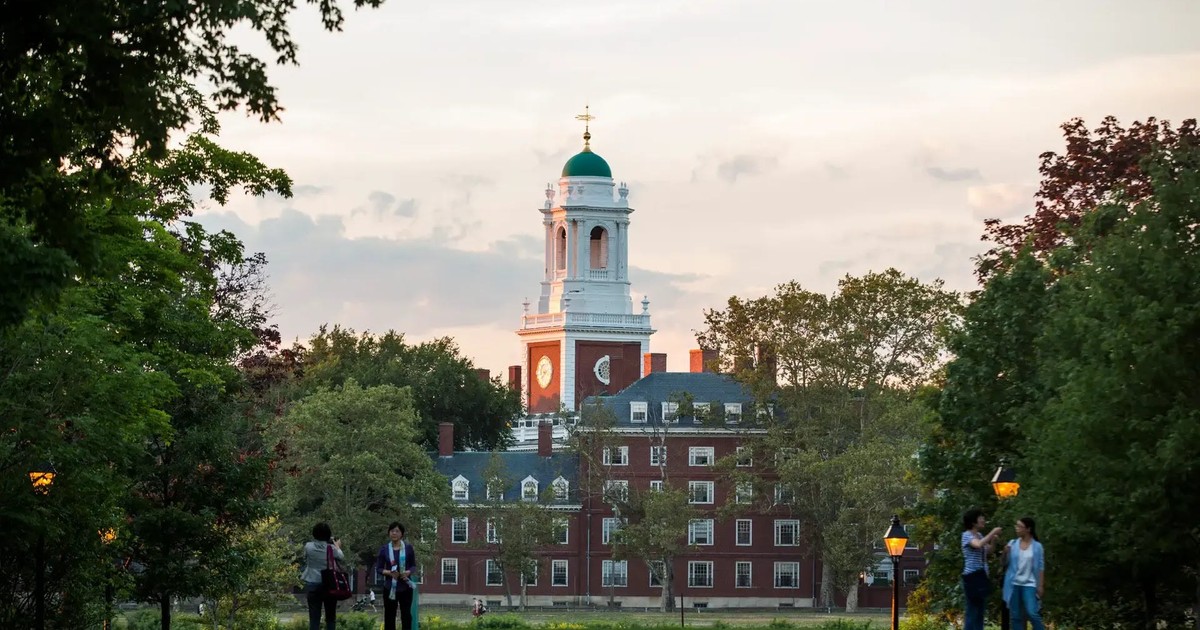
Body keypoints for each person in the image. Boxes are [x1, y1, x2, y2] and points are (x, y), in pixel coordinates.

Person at [961, 509, 1003, 630]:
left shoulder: (979, 535)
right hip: (972, 577)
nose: (983, 520)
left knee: (980, 612)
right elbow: (978, 545)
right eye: (981, 518)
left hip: (981, 576)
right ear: (973, 522)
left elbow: (988, 551)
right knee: (972, 611)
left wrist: (993, 541)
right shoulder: (967, 535)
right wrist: (992, 532)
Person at [1003, 517, 1046, 630]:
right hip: (1014, 584)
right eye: (1016, 526)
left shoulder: (1037, 547)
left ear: (1028, 529)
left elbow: (1041, 567)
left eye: (1019, 526)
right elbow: (1004, 563)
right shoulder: (1012, 544)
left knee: (1032, 613)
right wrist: (1004, 553)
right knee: (1015, 616)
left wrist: (1040, 586)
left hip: (1030, 584)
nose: (1016, 529)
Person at [300, 522, 344, 630]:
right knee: (330, 617)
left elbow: (304, 557)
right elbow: (341, 557)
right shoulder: (331, 549)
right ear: (328, 535)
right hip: (329, 585)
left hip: (312, 584)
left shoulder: (308, 546)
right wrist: (337, 546)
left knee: (314, 618)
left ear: (314, 533)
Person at [376, 522, 417, 630]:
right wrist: (390, 573)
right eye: (392, 531)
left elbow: (413, 566)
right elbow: (379, 569)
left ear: (402, 534)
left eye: (397, 531)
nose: (394, 533)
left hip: (405, 587)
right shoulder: (384, 549)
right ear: (389, 533)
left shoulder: (408, 548)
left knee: (406, 616)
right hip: (390, 587)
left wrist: (408, 572)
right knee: (389, 616)